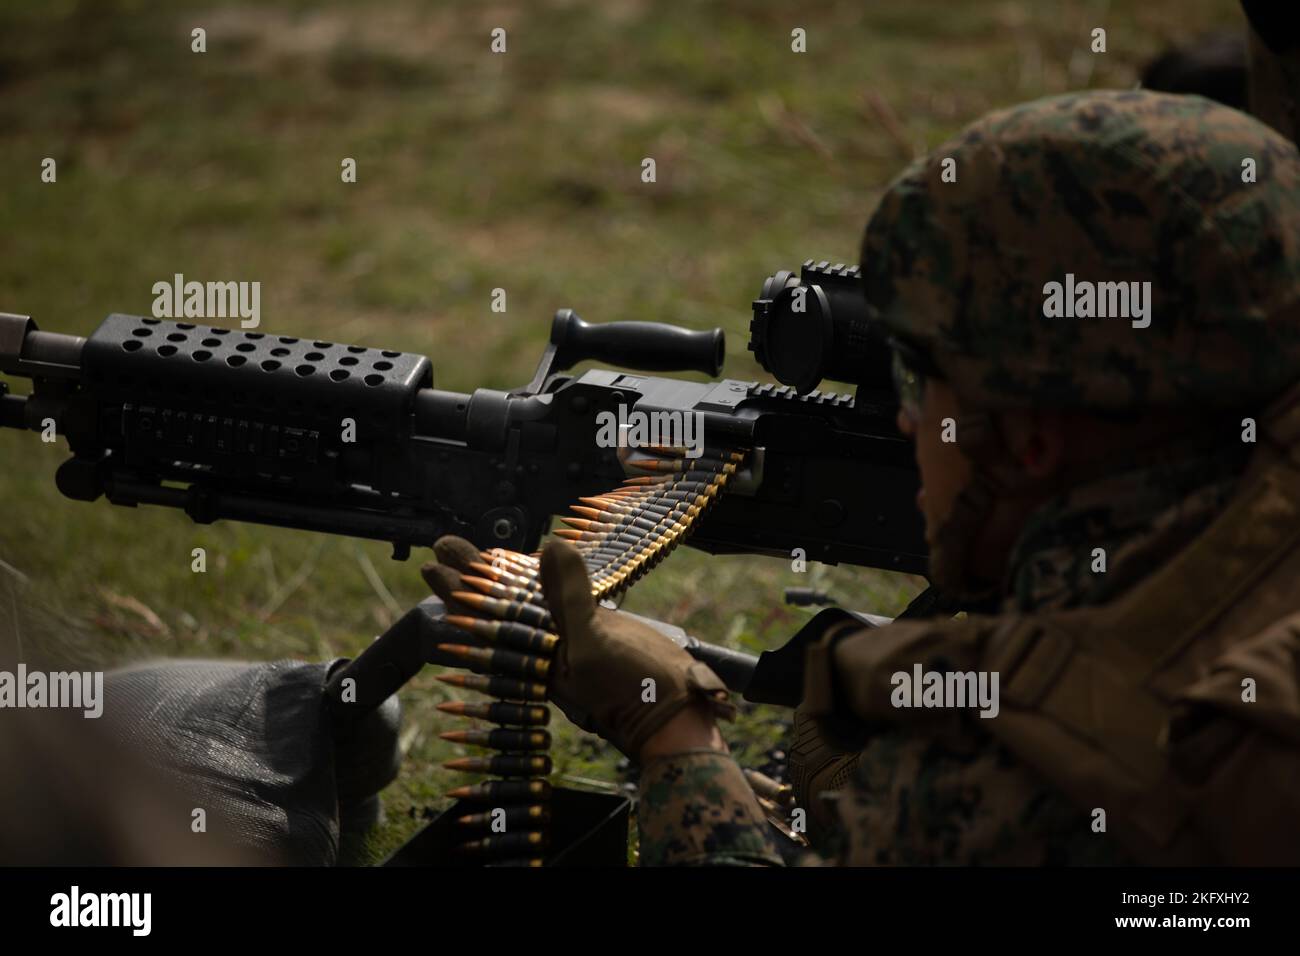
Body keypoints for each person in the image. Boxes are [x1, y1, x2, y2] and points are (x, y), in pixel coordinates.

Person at [431, 87, 1300, 865]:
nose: (906, 418)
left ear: (1029, 441)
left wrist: (669, 732)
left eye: (922, 378)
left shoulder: (1029, 765)